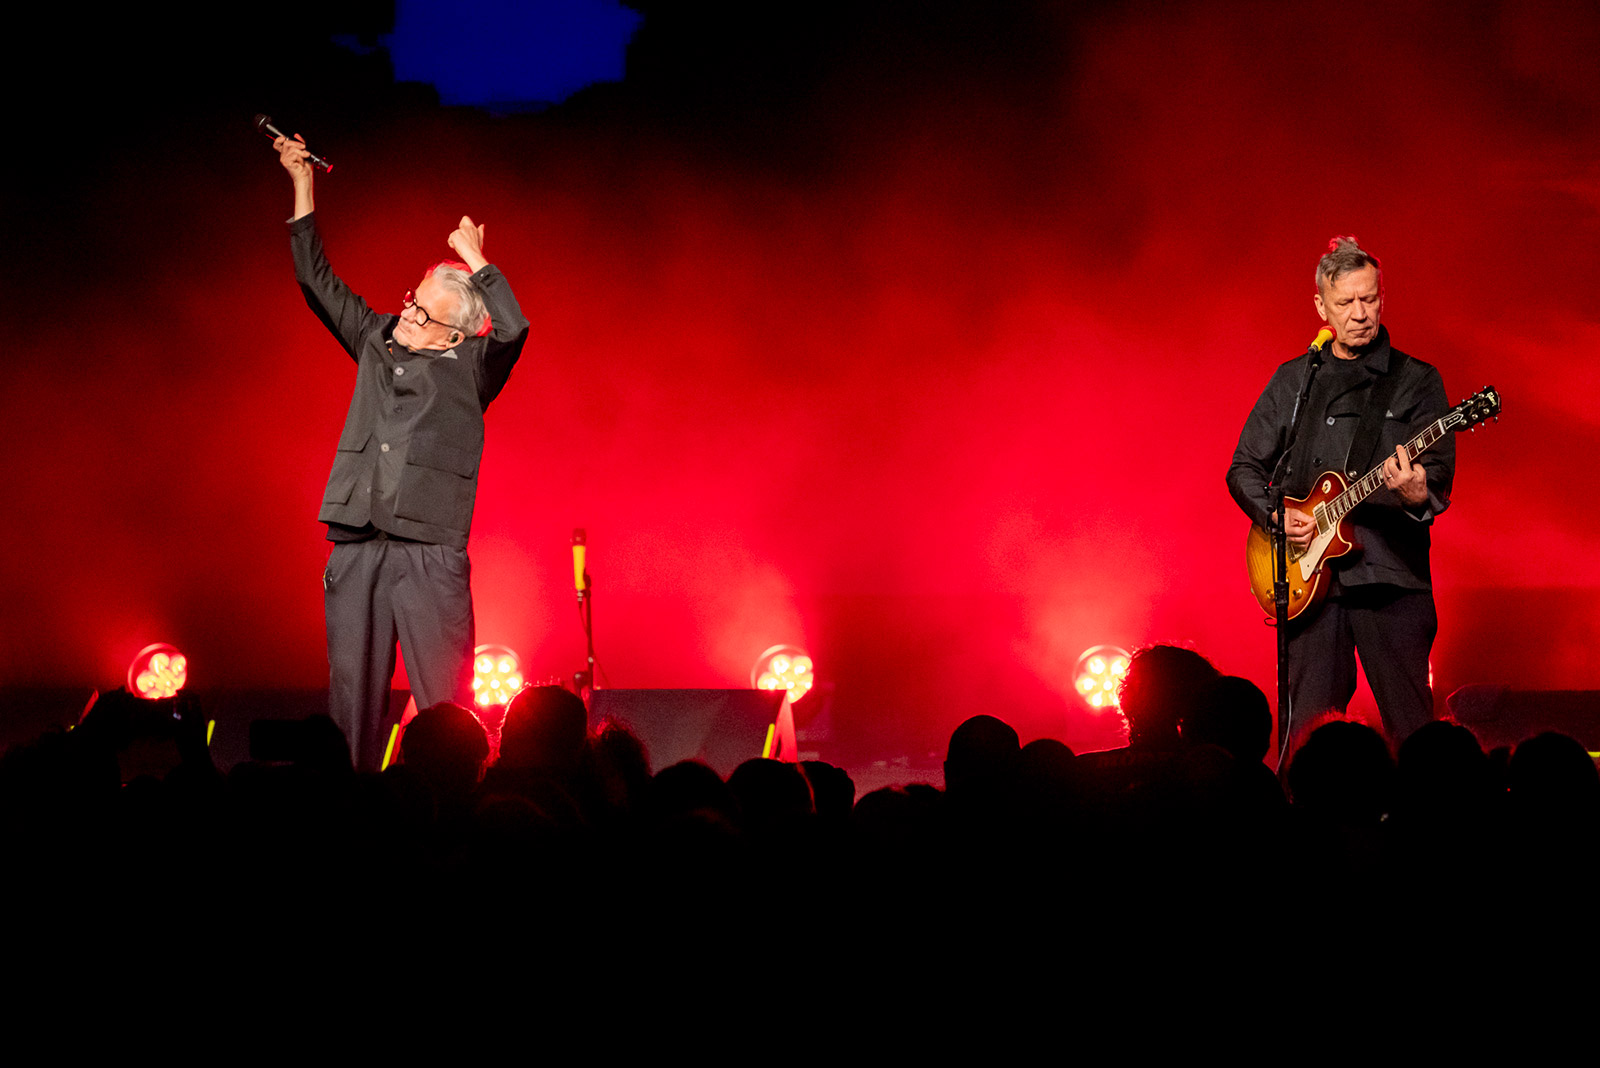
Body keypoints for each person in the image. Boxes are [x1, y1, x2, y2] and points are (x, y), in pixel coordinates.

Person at [275, 133, 530, 772]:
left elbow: (515, 327)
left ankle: (457, 813)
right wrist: (303, 186)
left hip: (429, 550)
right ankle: (350, 819)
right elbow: (316, 279)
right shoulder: (375, 337)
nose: (407, 315)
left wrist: (476, 260)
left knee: (447, 710)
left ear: (458, 331)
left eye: (423, 314)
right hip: (358, 543)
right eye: (413, 301)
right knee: (352, 702)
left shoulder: (473, 366)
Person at [1227, 235, 1453, 748]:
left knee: (1413, 734)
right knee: (1305, 736)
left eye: (1369, 299)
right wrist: (1275, 518)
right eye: (1346, 302)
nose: (1359, 313)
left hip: (1390, 578)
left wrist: (1417, 493)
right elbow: (1243, 467)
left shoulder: (1416, 381)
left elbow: (1435, 479)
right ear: (1321, 306)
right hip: (1307, 586)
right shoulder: (1294, 380)